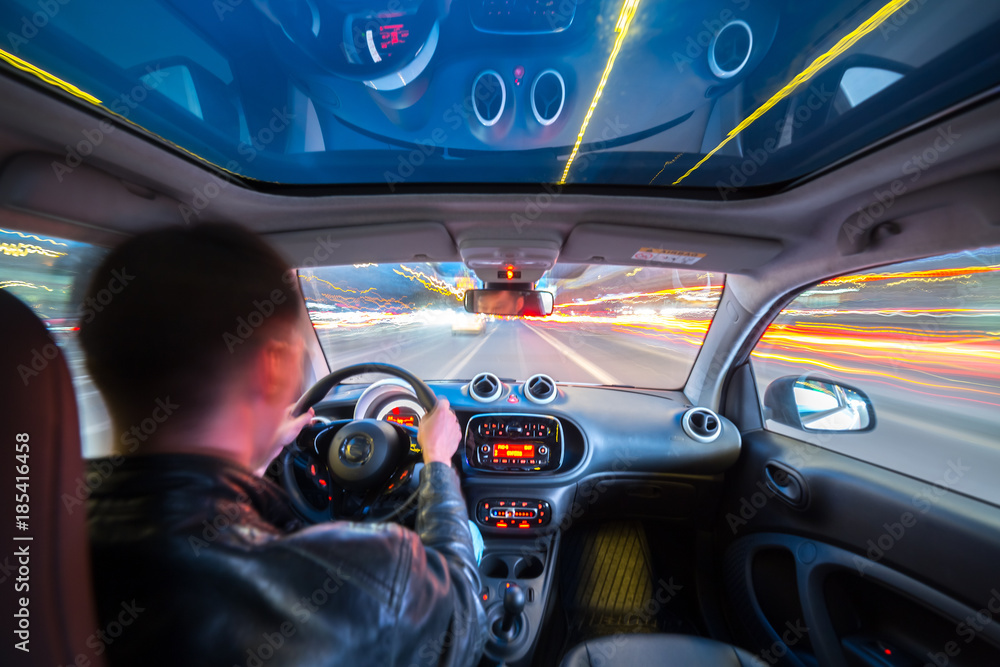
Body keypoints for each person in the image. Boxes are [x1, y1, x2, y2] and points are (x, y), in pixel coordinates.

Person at [78, 223, 486, 666]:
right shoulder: (374, 576)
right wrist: (439, 463)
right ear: (271, 367)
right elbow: (461, 617)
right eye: (296, 353)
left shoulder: (36, 530)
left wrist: (252, 460)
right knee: (475, 541)